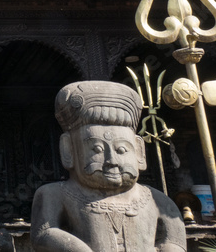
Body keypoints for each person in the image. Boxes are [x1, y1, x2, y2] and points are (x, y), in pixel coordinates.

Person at [31, 81, 185, 251]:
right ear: (68, 150)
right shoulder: (55, 194)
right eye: (97, 149)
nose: (111, 160)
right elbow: (42, 234)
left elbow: (175, 240)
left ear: (139, 151)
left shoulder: (155, 199)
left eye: (122, 149)